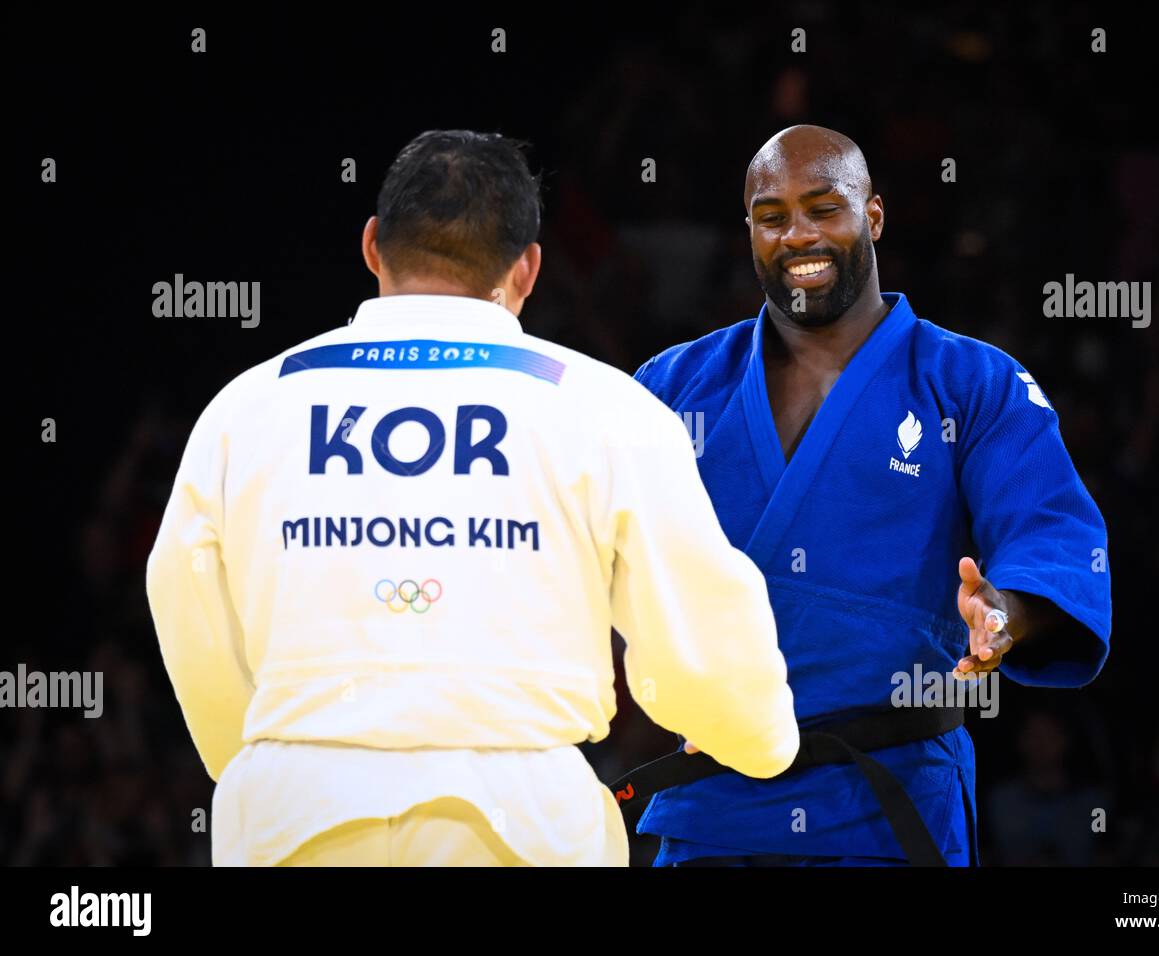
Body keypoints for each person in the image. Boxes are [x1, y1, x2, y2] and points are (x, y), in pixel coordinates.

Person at [145, 129, 799, 867]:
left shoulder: (247, 406)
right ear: (527, 269)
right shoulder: (602, 407)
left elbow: (182, 597)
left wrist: (269, 752)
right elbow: (699, 627)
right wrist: (760, 739)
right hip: (520, 821)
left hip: (289, 818)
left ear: (371, 247)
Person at [630, 125, 1112, 866]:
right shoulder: (674, 386)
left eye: (824, 208)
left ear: (873, 217)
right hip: (713, 805)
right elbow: (592, 556)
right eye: (772, 215)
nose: (798, 235)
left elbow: (1048, 528)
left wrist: (1005, 613)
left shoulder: (969, 381)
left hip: (891, 806)